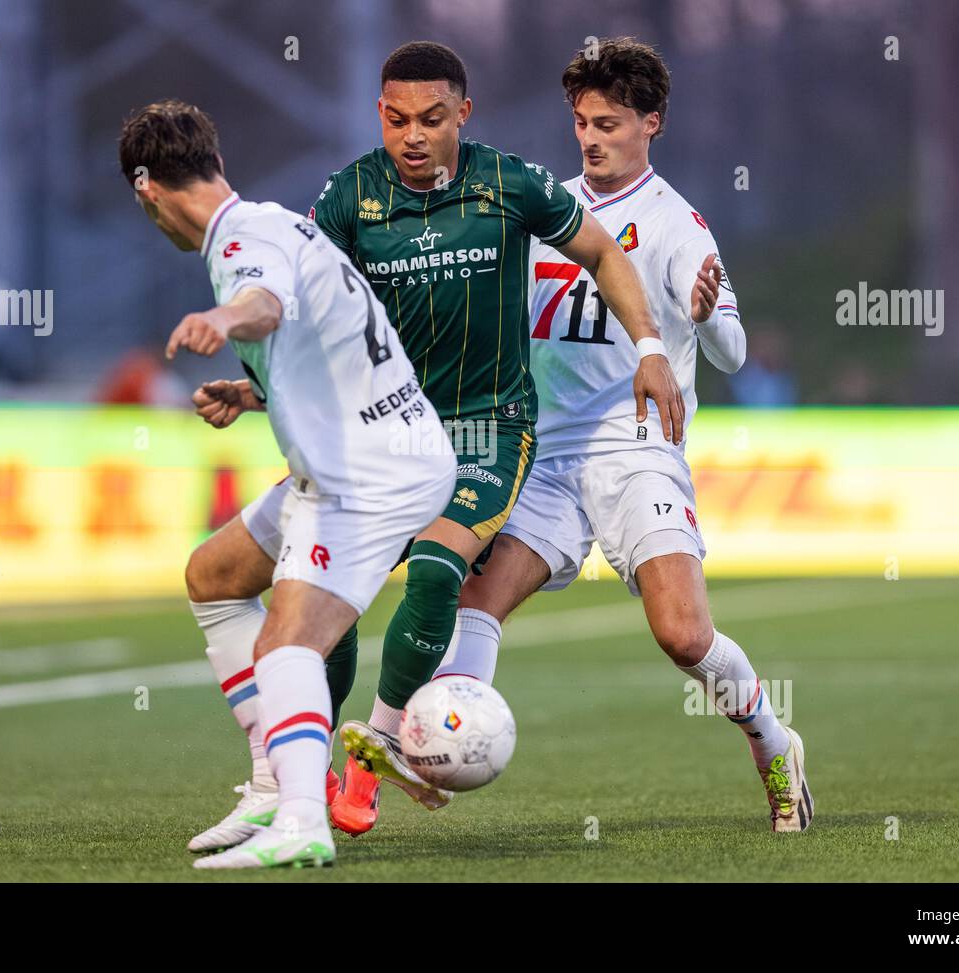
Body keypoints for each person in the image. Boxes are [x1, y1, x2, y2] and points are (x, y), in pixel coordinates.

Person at [429, 38, 813, 832]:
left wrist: (704, 317)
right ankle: (440, 744)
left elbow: (735, 353)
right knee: (479, 597)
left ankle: (774, 743)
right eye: (580, 123)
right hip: (542, 453)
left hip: (637, 452)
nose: (590, 138)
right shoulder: (545, 207)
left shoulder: (678, 225)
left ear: (651, 124)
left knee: (682, 635)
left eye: (608, 123)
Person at [306, 40, 688, 835]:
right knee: (328, 603)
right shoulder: (348, 198)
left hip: (489, 427)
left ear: (463, 115)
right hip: (384, 435)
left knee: (441, 570)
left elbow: (603, 251)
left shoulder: (511, 184)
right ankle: (297, 768)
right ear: (381, 114)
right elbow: (303, 306)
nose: (414, 135)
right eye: (398, 119)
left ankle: (371, 752)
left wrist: (651, 347)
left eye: (433, 119)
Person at [119, 99, 456, 868]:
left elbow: (264, 307)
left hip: (367, 470)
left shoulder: (239, 242)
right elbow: (329, 337)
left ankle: (304, 817)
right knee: (214, 574)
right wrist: (253, 392)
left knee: (286, 643)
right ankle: (275, 779)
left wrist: (222, 318)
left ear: (147, 191)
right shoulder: (275, 220)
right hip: (368, 448)